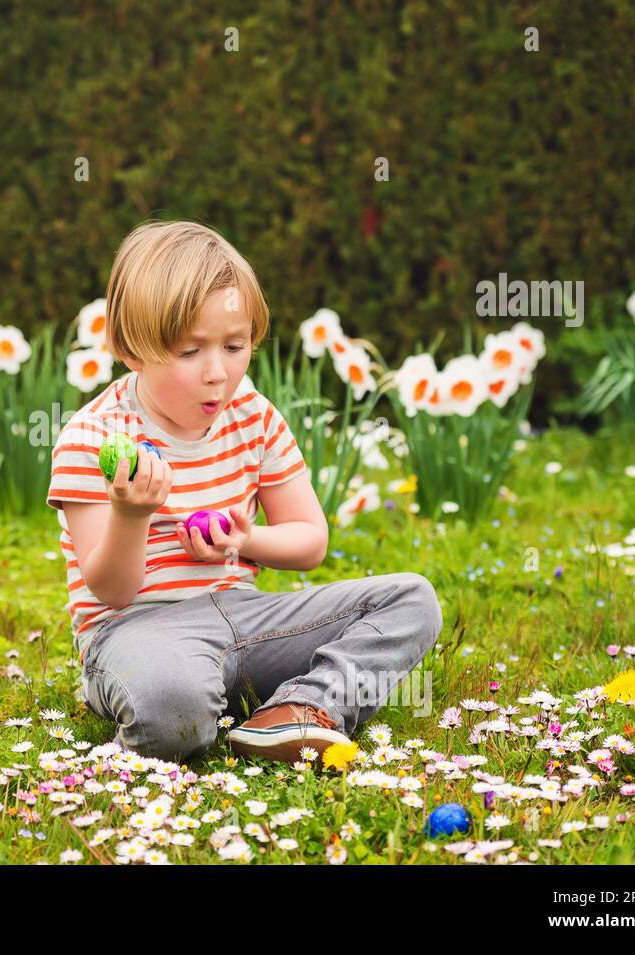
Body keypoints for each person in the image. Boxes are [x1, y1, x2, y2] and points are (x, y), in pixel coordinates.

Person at [45, 219, 443, 765]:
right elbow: (111, 591)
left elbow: (310, 543)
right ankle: (182, 703)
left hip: (247, 621)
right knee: (173, 710)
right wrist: (131, 515)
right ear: (130, 348)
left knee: (410, 599)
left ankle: (299, 708)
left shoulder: (253, 417)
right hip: (139, 630)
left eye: (235, 346)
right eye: (189, 352)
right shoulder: (92, 439)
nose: (218, 373)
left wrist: (248, 538)